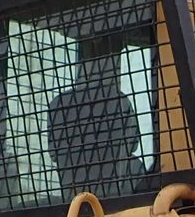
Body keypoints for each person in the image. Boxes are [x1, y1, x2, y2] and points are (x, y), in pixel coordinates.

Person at [46, 32, 150, 200]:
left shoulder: (59, 105)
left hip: (71, 204)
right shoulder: (119, 102)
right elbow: (133, 144)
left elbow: (53, 153)